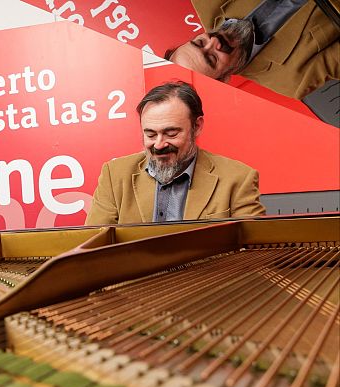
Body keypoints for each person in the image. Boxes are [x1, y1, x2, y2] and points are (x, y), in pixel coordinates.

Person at [85, 81, 266, 225]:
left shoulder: (238, 178)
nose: (159, 144)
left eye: (171, 133)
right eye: (150, 134)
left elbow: (256, 252)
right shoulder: (114, 174)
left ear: (197, 126)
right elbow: (91, 246)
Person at [166, 0, 339, 99]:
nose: (213, 42)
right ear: (224, 79)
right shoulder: (294, 82)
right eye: (212, 58)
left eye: (199, 43)